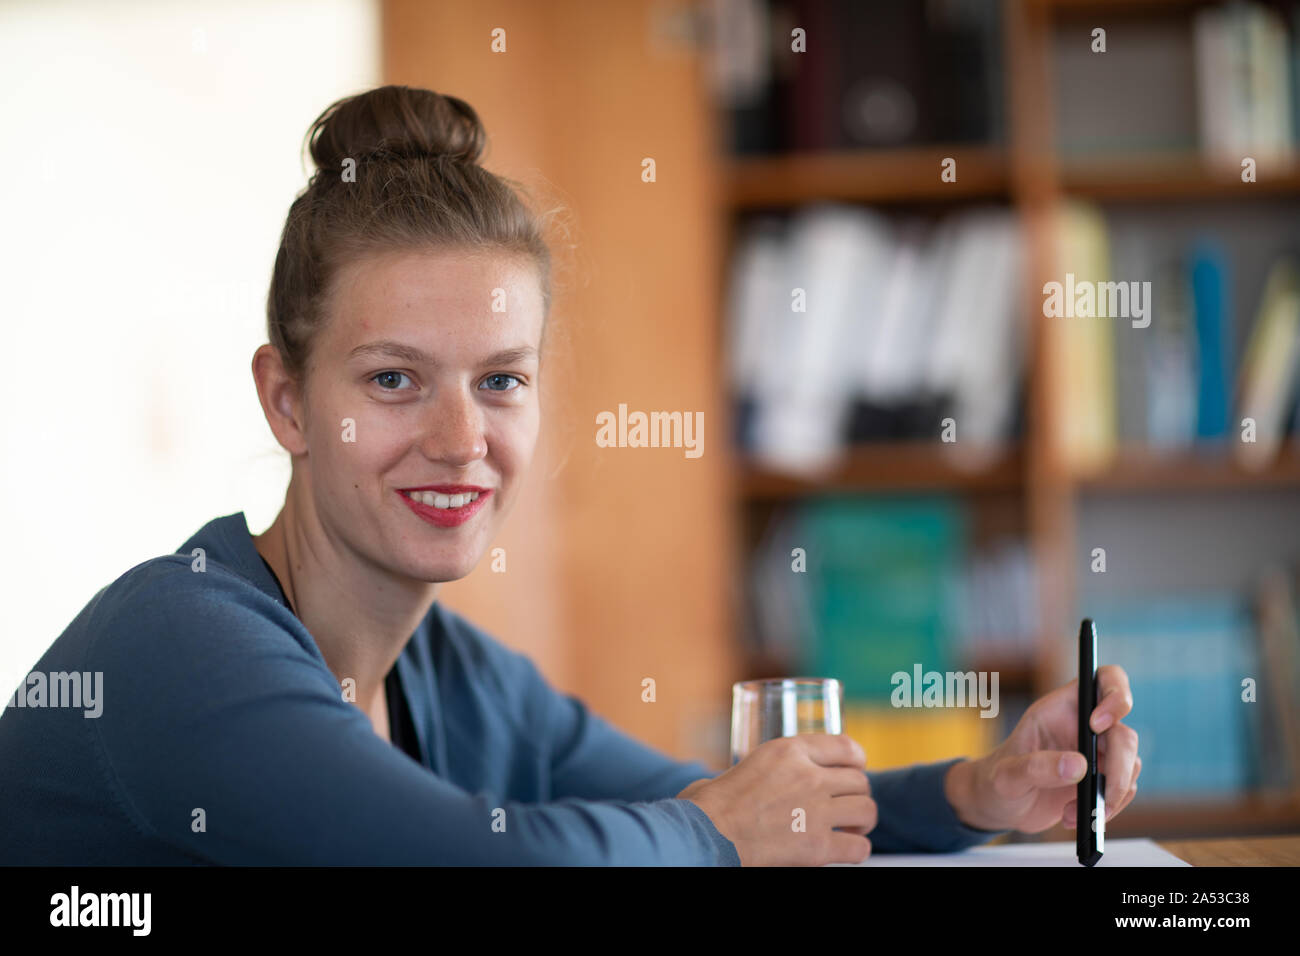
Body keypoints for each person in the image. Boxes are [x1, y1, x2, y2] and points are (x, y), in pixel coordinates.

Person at [0, 85, 1140, 866]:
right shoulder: (181, 644)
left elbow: (737, 799)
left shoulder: (450, 670)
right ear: (287, 399)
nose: (460, 439)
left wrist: (971, 792)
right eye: (395, 380)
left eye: (500, 381)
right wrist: (716, 835)